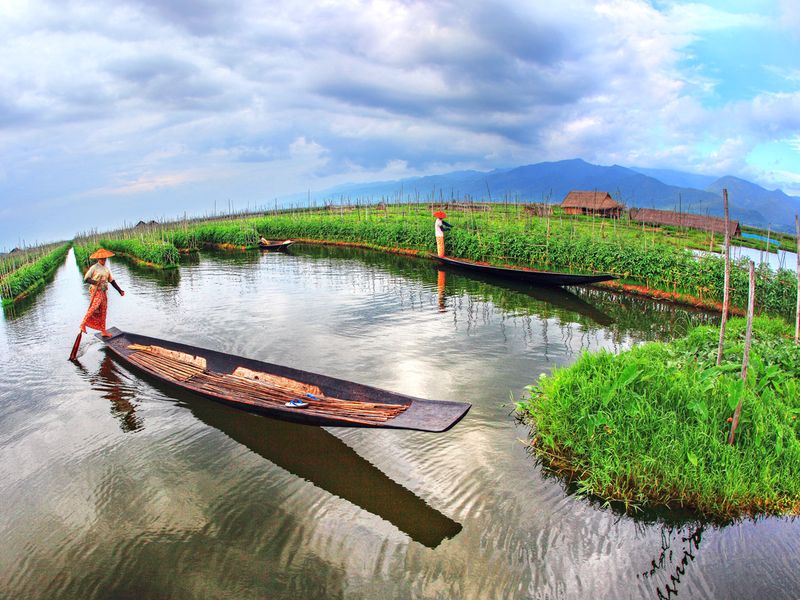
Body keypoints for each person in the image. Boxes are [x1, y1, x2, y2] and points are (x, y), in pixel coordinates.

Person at [81, 248, 125, 337]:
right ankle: (83, 324)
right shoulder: (94, 267)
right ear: (98, 259)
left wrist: (119, 290)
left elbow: (111, 281)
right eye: (102, 259)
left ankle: (103, 331)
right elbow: (86, 279)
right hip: (96, 291)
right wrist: (96, 282)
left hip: (103, 291)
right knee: (94, 307)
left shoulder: (106, 269)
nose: (103, 260)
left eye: (105, 259)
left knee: (103, 310)